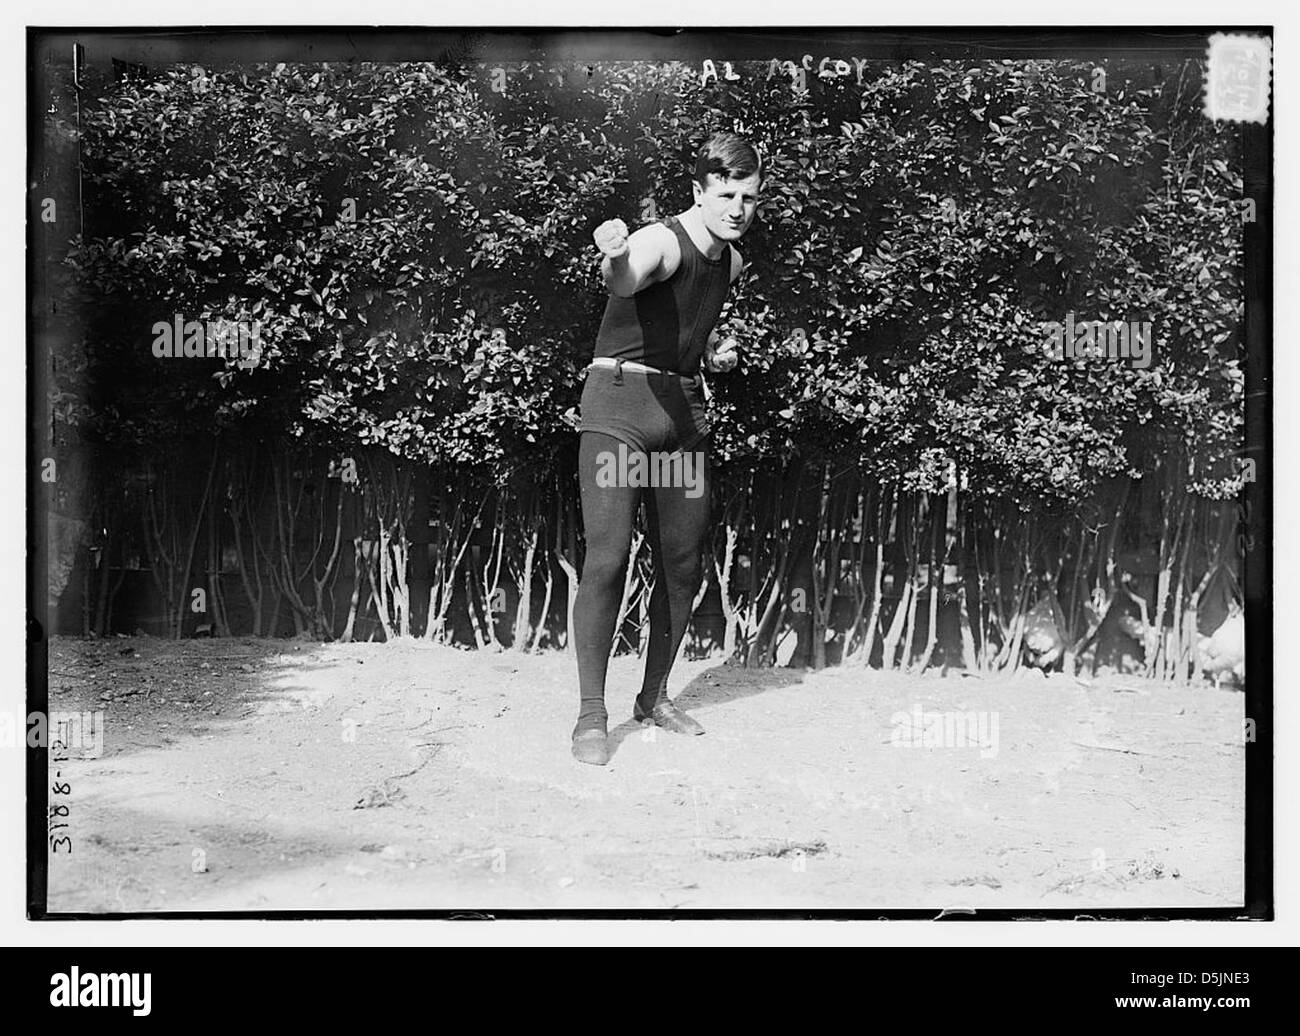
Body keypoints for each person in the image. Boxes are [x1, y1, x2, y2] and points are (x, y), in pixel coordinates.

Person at [571, 131, 762, 766]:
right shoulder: (660, 238)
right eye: (725, 194)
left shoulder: (731, 262)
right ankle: (591, 717)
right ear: (699, 192)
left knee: (682, 563)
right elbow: (627, 280)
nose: (737, 208)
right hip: (621, 412)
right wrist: (614, 253)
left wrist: (712, 351)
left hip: (680, 416)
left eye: (748, 198)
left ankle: (653, 698)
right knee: (608, 558)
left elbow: (681, 325)